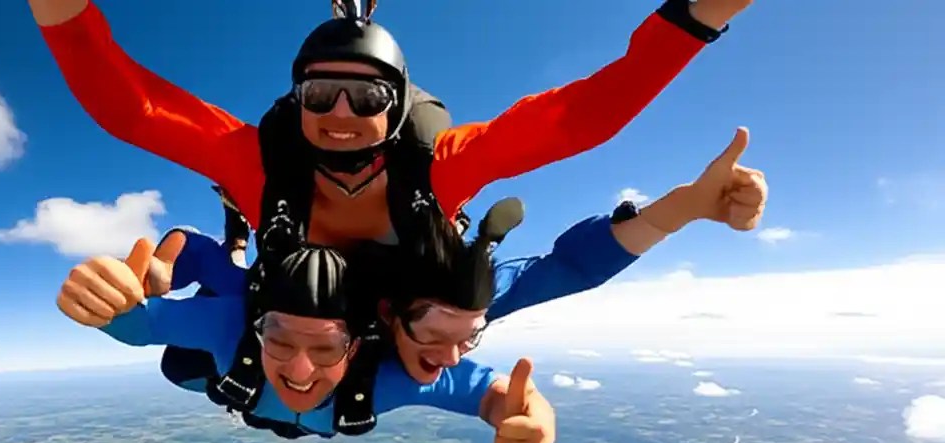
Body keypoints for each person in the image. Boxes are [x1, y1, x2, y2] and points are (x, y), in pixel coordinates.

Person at [29, 0, 751, 258]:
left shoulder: (441, 161)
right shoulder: (259, 159)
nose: (340, 115)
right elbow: (134, 111)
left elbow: (579, 117)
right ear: (297, 99)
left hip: (402, 274)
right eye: (319, 94)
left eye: (364, 96)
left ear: (395, 106)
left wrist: (698, 17)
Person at [130, 126, 768, 386]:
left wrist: (682, 208)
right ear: (390, 309)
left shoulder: (460, 303)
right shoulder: (308, 298)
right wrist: (160, 269)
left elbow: (570, 270)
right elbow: (197, 255)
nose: (456, 355)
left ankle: (241, 229)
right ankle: (243, 227)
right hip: (255, 330)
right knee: (190, 357)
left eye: (469, 336)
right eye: (440, 335)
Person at [57, 241, 555, 443]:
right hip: (232, 372)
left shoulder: (391, 374)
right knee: (177, 363)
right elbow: (138, 322)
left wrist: (536, 423)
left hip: (268, 404)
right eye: (279, 340)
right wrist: (102, 295)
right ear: (258, 328)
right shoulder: (231, 322)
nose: (299, 369)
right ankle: (237, 245)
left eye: (325, 348)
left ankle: (237, 253)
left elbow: (495, 395)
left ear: (357, 345)